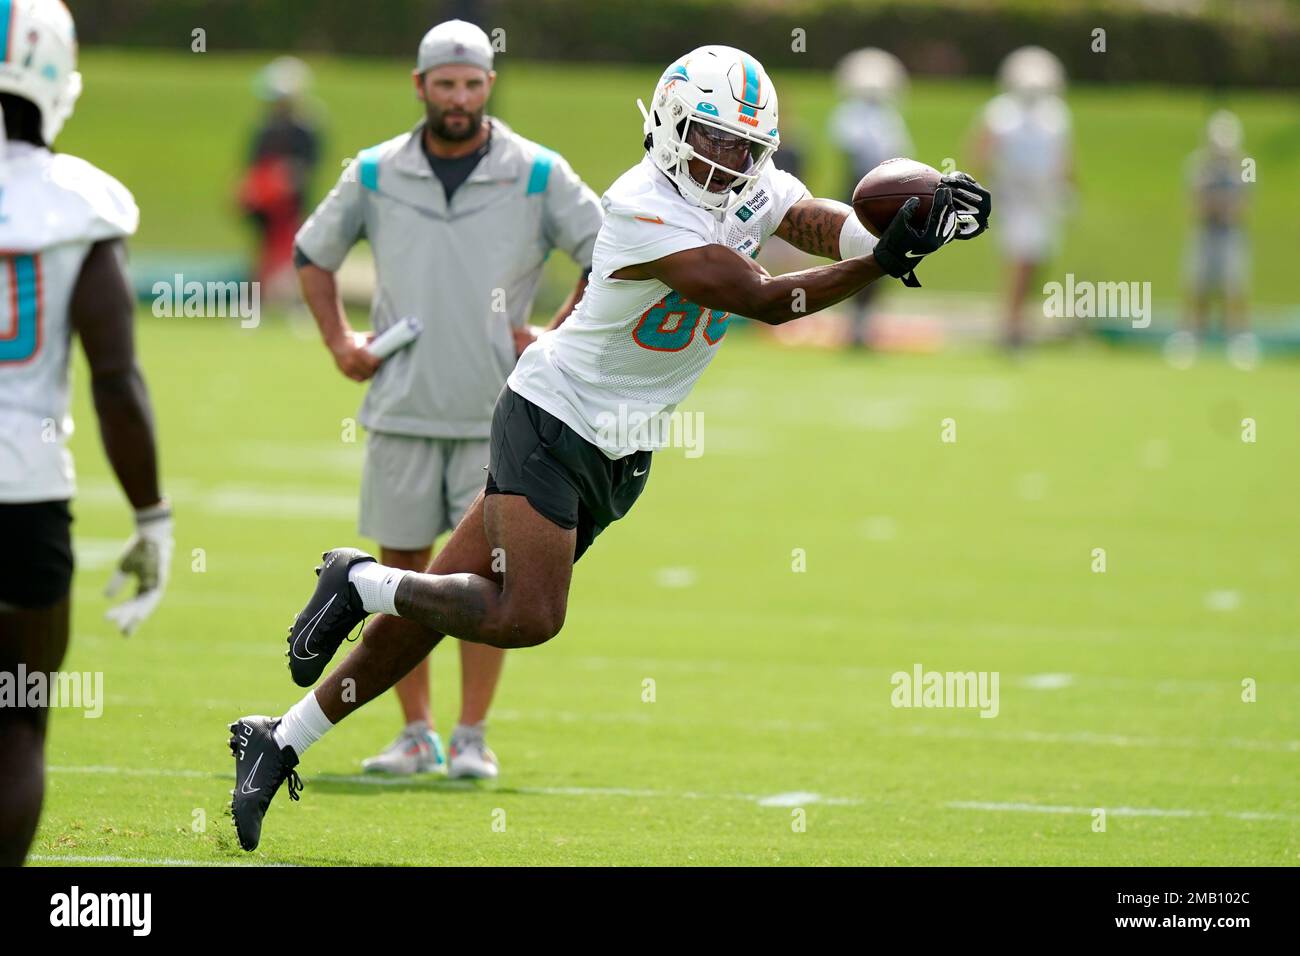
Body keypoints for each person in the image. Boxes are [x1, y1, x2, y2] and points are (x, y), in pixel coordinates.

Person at [228, 44, 990, 851]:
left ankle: (278, 742)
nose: (730, 161)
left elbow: (821, 225)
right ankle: (363, 579)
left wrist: (916, 219)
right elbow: (764, 300)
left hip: (622, 443)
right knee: (527, 616)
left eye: (745, 147)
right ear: (668, 123)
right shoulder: (640, 203)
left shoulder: (751, 185)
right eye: (714, 139)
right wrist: (885, 260)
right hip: (555, 419)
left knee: (444, 606)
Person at [292, 20, 601, 780]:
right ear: (420, 85)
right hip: (401, 405)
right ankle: (416, 731)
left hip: (505, 420)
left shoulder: (537, 172)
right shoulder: (372, 172)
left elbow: (608, 255)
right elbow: (311, 254)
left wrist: (554, 338)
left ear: (488, 85)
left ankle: (471, 733)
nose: (458, 97)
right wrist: (339, 342)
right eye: (445, 83)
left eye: (471, 83)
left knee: (489, 580)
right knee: (405, 575)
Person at [0, 0, 171, 865]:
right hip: (25, 493)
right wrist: (152, 517)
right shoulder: (80, 203)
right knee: (18, 719)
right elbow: (114, 380)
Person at [970, 46, 1073, 350]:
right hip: (1014, 200)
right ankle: (1010, 327)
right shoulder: (1000, 113)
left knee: (1037, 262)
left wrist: (1066, 188)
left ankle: (1019, 321)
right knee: (1018, 261)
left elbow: (1064, 158)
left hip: (1043, 200)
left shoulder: (1056, 116)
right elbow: (980, 153)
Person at [828, 48, 913, 349]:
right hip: (859, 192)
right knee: (855, 257)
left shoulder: (890, 118)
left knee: (881, 260)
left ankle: (864, 323)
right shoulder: (849, 114)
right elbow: (854, 155)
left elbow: (899, 159)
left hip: (887, 196)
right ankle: (852, 324)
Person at [1169, 109, 1254, 369]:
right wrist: (1218, 205)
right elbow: (1196, 202)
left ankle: (1238, 340)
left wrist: (1223, 206)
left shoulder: (1247, 165)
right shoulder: (1198, 164)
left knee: (1234, 285)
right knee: (1197, 285)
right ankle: (1191, 338)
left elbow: (1244, 203)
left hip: (1232, 233)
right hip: (1204, 232)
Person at [238, 56, 321, 300]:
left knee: (297, 254)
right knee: (262, 254)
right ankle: (253, 305)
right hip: (266, 206)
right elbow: (253, 165)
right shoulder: (264, 128)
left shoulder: (306, 129)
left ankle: (298, 305)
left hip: (293, 204)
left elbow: (309, 165)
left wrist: (288, 178)